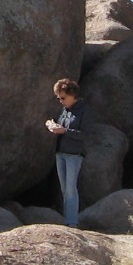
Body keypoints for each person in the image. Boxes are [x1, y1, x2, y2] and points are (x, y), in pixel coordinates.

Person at [45, 77, 89, 227]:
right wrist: (50, 124)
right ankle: (68, 220)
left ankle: (72, 223)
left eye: (63, 98)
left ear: (72, 95)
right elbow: (53, 120)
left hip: (74, 155)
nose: (61, 101)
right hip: (61, 153)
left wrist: (65, 131)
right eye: (58, 98)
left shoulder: (84, 111)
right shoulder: (64, 110)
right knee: (64, 189)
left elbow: (85, 135)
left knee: (71, 188)